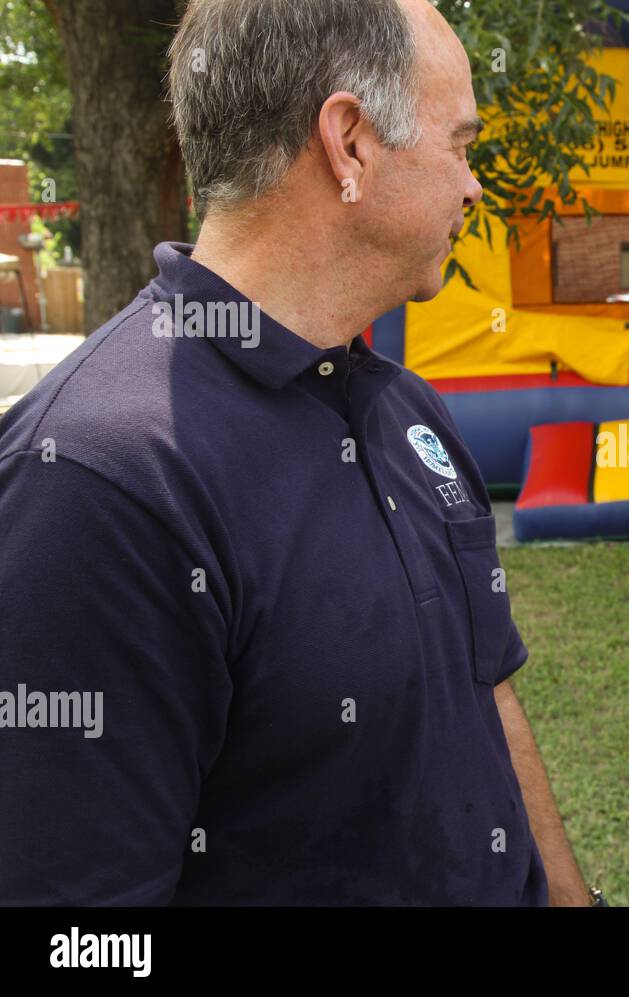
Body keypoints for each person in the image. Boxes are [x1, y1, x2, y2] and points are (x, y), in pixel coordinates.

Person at [0, 0, 596, 906]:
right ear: (350, 143)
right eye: (461, 146)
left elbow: (488, 697)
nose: (473, 187)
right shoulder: (99, 479)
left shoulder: (405, 408)